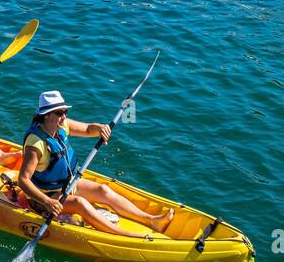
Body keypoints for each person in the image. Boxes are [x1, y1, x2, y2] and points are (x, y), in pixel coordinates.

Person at [17, 90, 174, 238]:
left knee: (103, 190)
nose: (64, 116)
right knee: (80, 204)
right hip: (44, 198)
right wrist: (48, 202)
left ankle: (152, 220)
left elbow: (86, 129)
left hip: (68, 186)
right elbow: (23, 180)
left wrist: (100, 129)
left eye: (65, 111)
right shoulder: (36, 144)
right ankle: (123, 235)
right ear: (45, 115)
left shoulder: (61, 126)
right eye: (59, 113)